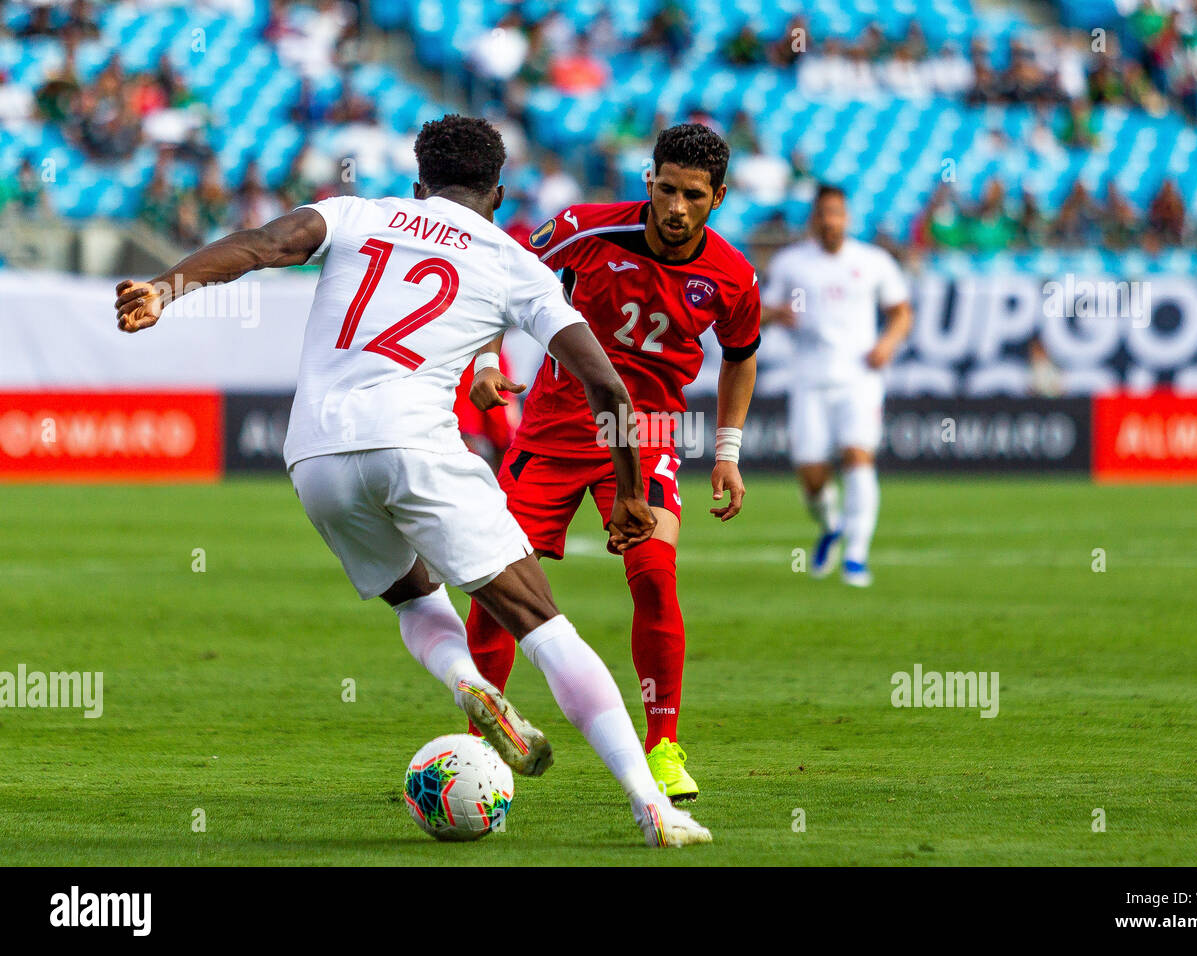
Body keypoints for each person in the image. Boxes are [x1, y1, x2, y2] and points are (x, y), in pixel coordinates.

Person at [112, 114, 710, 848]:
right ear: (497, 192)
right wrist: (628, 492)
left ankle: (465, 678)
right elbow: (609, 390)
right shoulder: (511, 257)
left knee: (414, 596)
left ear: (417, 182)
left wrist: (167, 288)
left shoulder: (355, 212)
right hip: (416, 442)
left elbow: (265, 245)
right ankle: (653, 807)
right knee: (543, 626)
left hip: (317, 455)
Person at [464, 124, 761, 803]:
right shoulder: (579, 229)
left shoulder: (734, 276)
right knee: (496, 585)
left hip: (649, 435)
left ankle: (661, 746)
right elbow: (499, 283)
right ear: (647, 182)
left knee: (655, 574)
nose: (676, 207)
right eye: (665, 189)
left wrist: (727, 452)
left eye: (693, 195)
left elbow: (740, 359)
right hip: (552, 431)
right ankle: (485, 743)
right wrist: (485, 360)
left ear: (718, 196)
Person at [762, 184, 913, 587]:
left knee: (858, 456)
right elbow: (760, 312)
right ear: (814, 218)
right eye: (824, 213)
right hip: (809, 379)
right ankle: (832, 525)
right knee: (811, 475)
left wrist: (886, 345)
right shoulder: (792, 263)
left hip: (859, 378)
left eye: (837, 213)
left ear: (847, 217)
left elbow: (901, 312)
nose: (831, 220)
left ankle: (857, 558)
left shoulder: (872, 261)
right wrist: (776, 313)